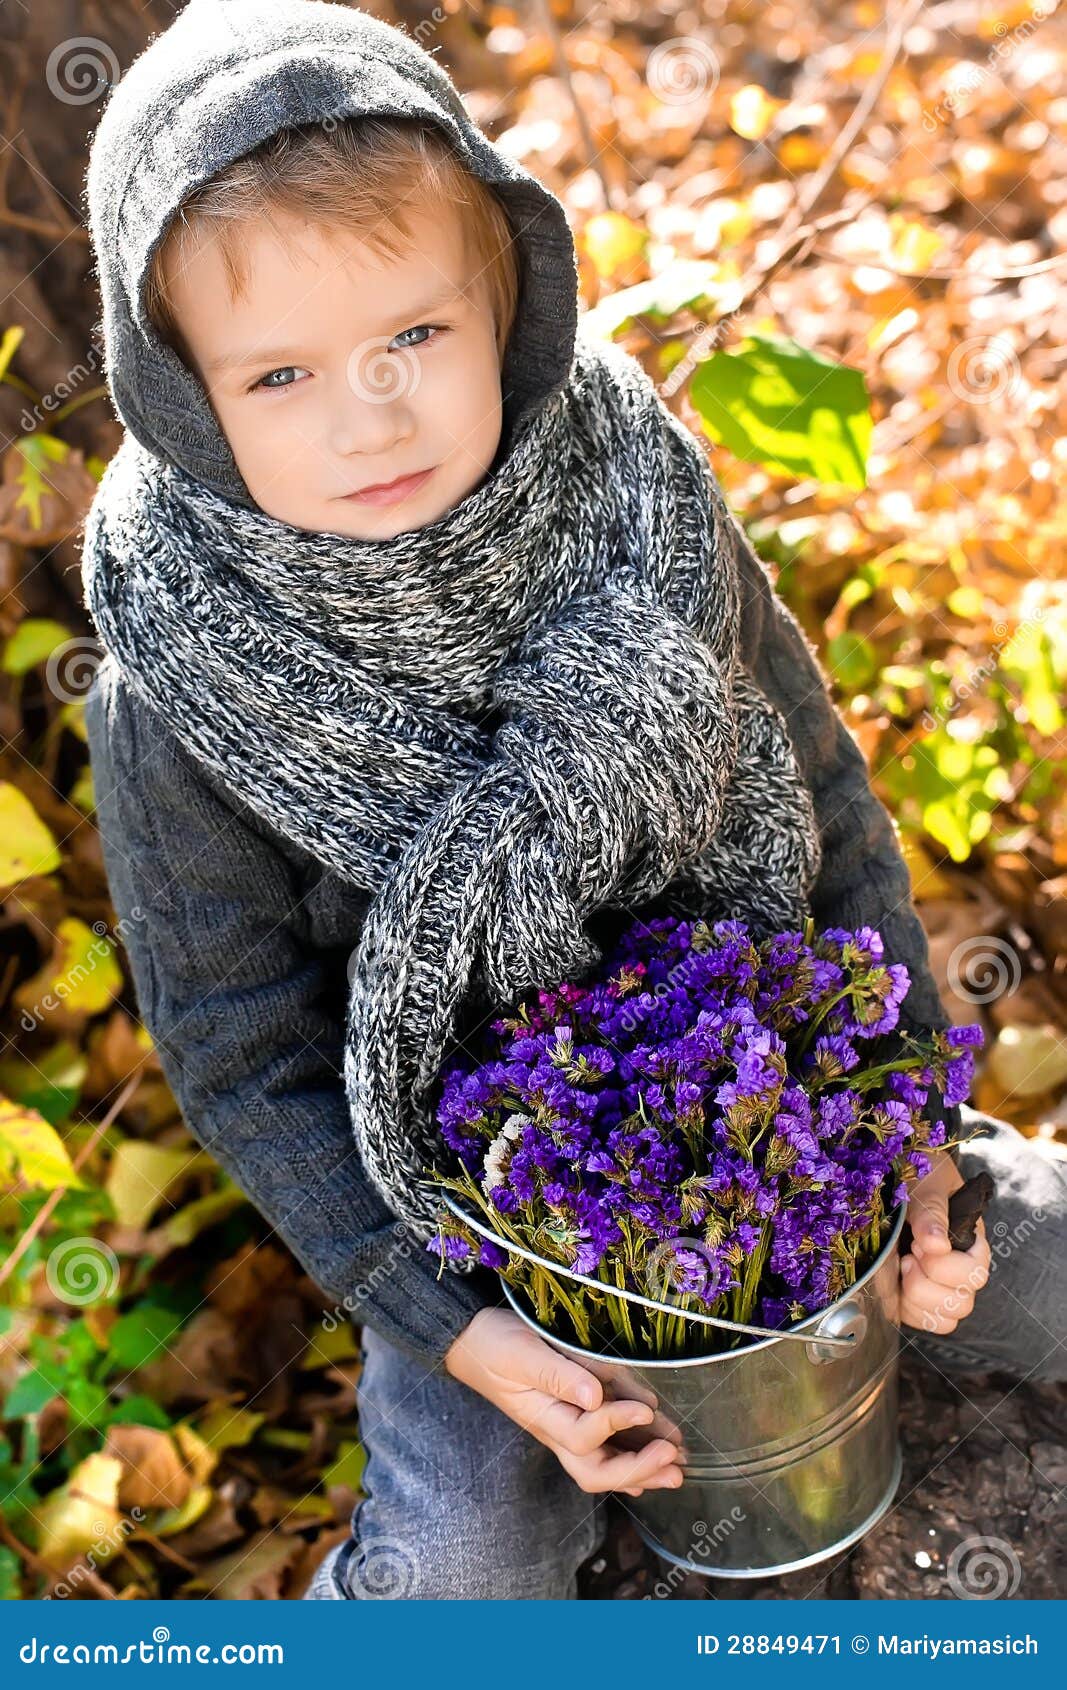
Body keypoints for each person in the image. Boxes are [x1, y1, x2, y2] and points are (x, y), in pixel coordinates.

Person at [78, 1, 1065, 1602]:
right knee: (466, 1565)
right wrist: (456, 1329)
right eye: (281, 373)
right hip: (478, 1225)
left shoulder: (634, 493)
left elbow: (824, 796)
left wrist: (912, 1141)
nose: (368, 415)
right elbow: (241, 1048)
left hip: (788, 1113)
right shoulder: (181, 671)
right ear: (186, 397)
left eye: (416, 336)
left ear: (509, 302)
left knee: (1046, 1267)